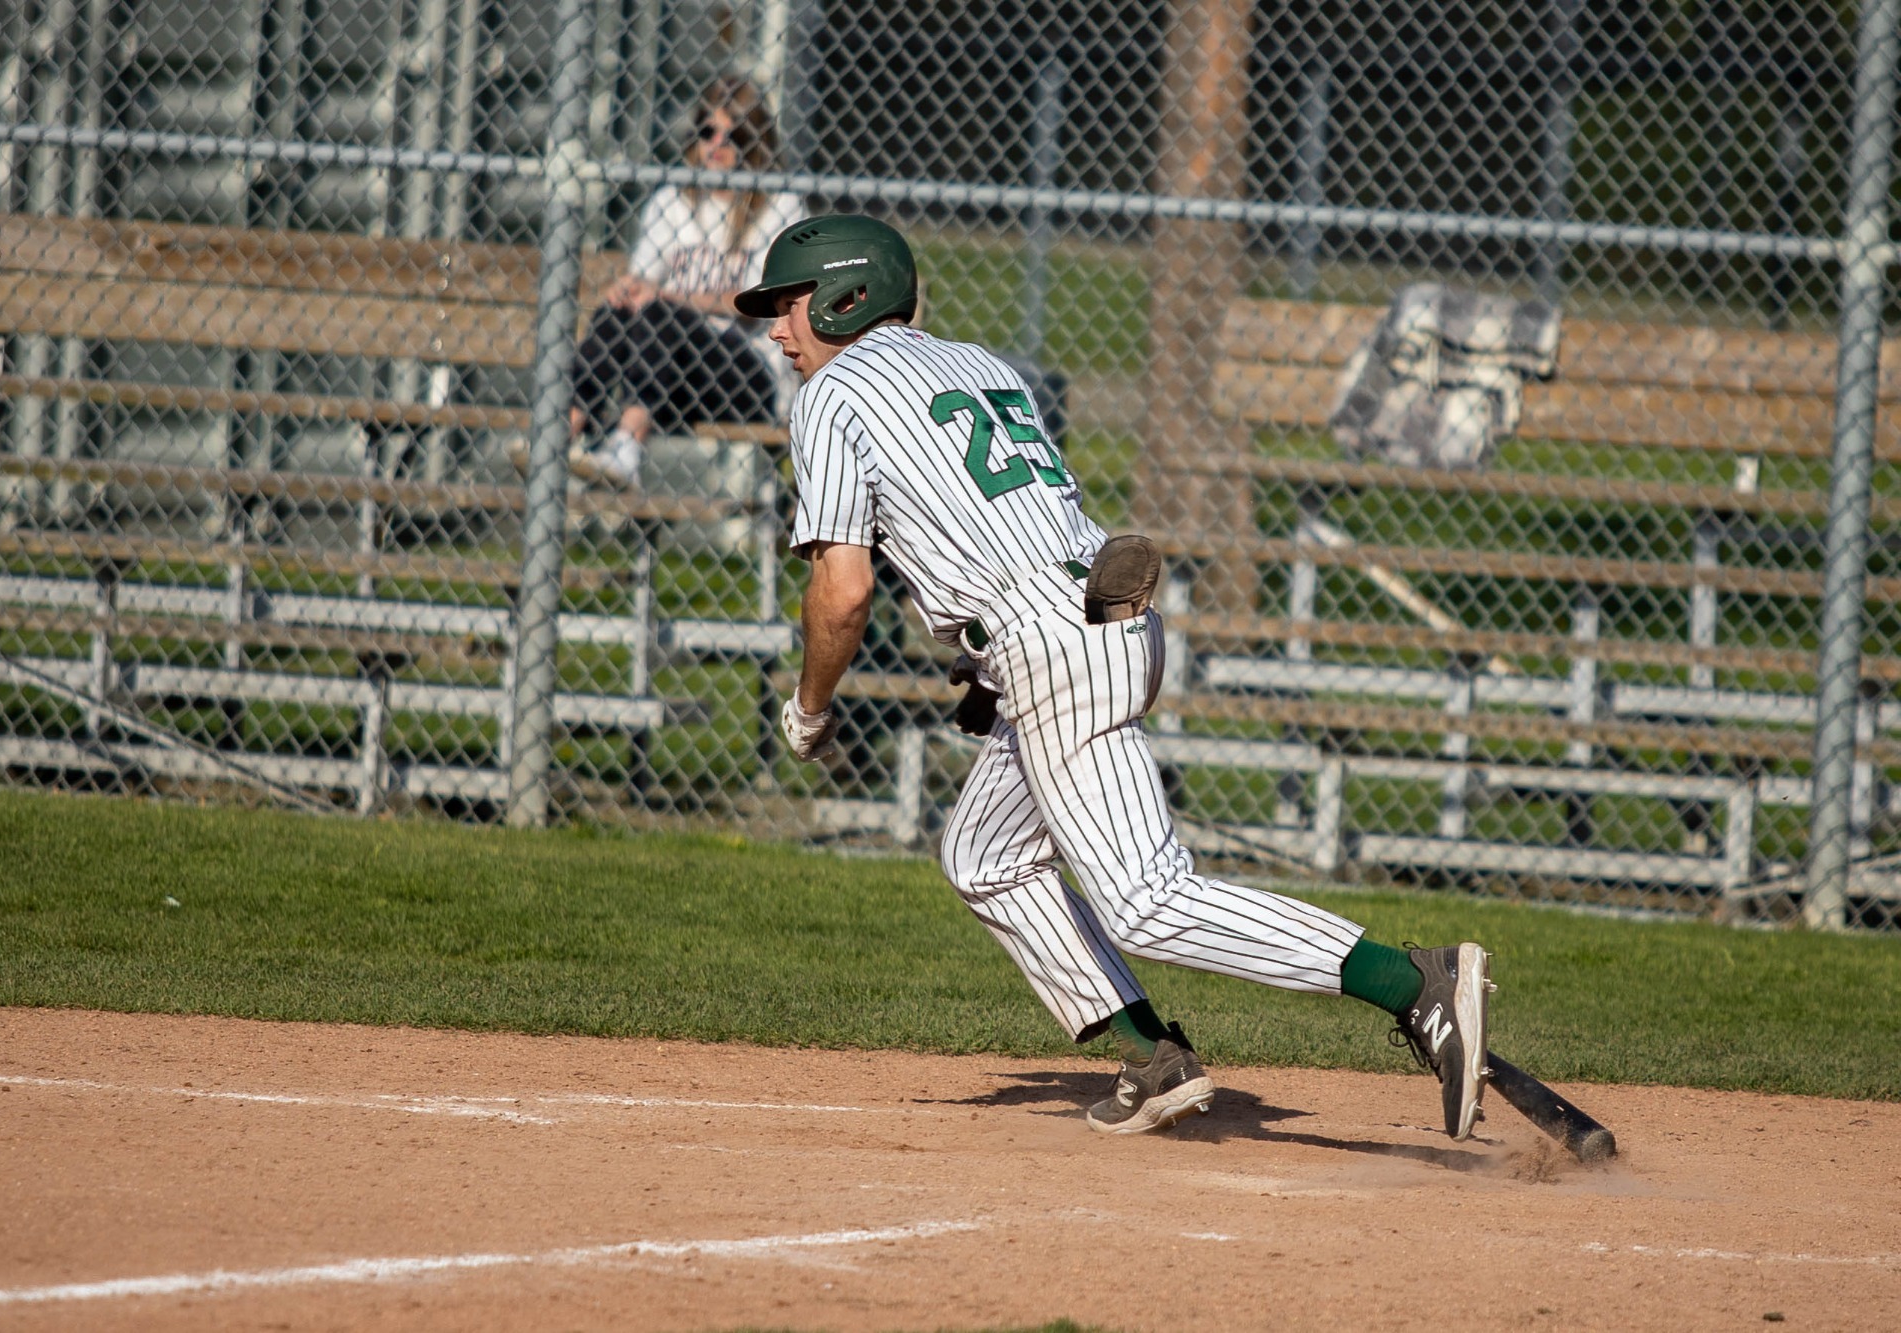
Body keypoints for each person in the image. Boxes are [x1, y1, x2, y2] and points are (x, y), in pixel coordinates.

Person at [736, 214, 1495, 1140]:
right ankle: (1154, 1057)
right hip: (1095, 614)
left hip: (1052, 640)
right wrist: (994, 665)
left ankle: (1415, 982)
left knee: (1145, 899)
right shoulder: (979, 361)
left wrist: (810, 708)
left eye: (791, 304)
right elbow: (999, 516)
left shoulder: (831, 395)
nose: (778, 329)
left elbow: (841, 593)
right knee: (985, 856)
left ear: (847, 296)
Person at [568, 76, 804, 487]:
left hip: (746, 377)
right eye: (706, 131)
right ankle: (564, 432)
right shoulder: (672, 199)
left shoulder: (779, 207)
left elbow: (752, 306)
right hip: (667, 374)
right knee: (620, 309)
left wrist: (667, 296)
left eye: (733, 136)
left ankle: (626, 446)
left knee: (661, 310)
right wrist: (628, 290)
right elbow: (643, 281)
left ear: (756, 142)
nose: (716, 144)